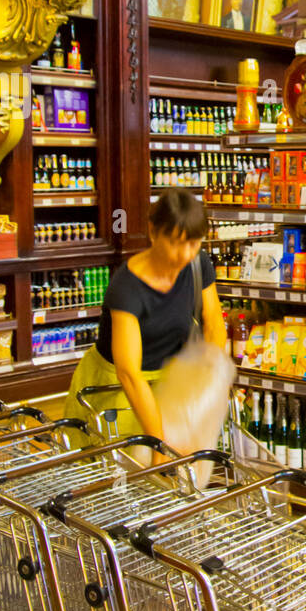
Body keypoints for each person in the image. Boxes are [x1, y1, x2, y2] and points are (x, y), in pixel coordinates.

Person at [64, 190, 227, 446]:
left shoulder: (198, 263)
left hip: (170, 380)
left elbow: (214, 324)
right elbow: (128, 373)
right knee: (125, 464)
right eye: (175, 243)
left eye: (193, 243)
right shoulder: (127, 287)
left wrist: (208, 378)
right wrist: (158, 442)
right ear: (153, 232)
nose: (185, 254)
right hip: (117, 390)